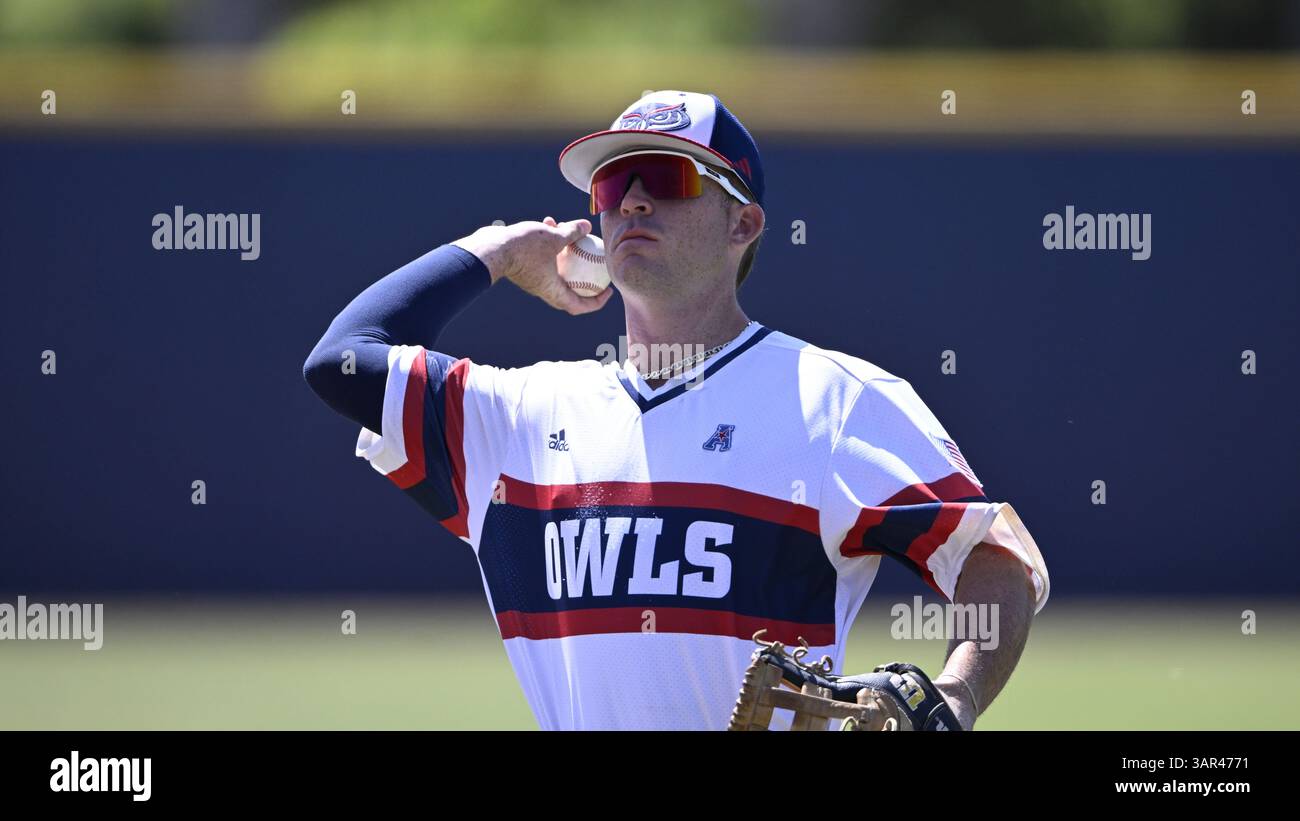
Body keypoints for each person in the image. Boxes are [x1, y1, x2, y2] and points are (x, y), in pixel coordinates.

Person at [303, 90, 1049, 730]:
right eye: (611, 182)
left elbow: (996, 558)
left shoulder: (836, 402)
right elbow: (341, 361)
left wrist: (954, 699)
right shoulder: (520, 415)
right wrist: (498, 248)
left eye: (664, 176)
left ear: (743, 225)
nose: (631, 200)